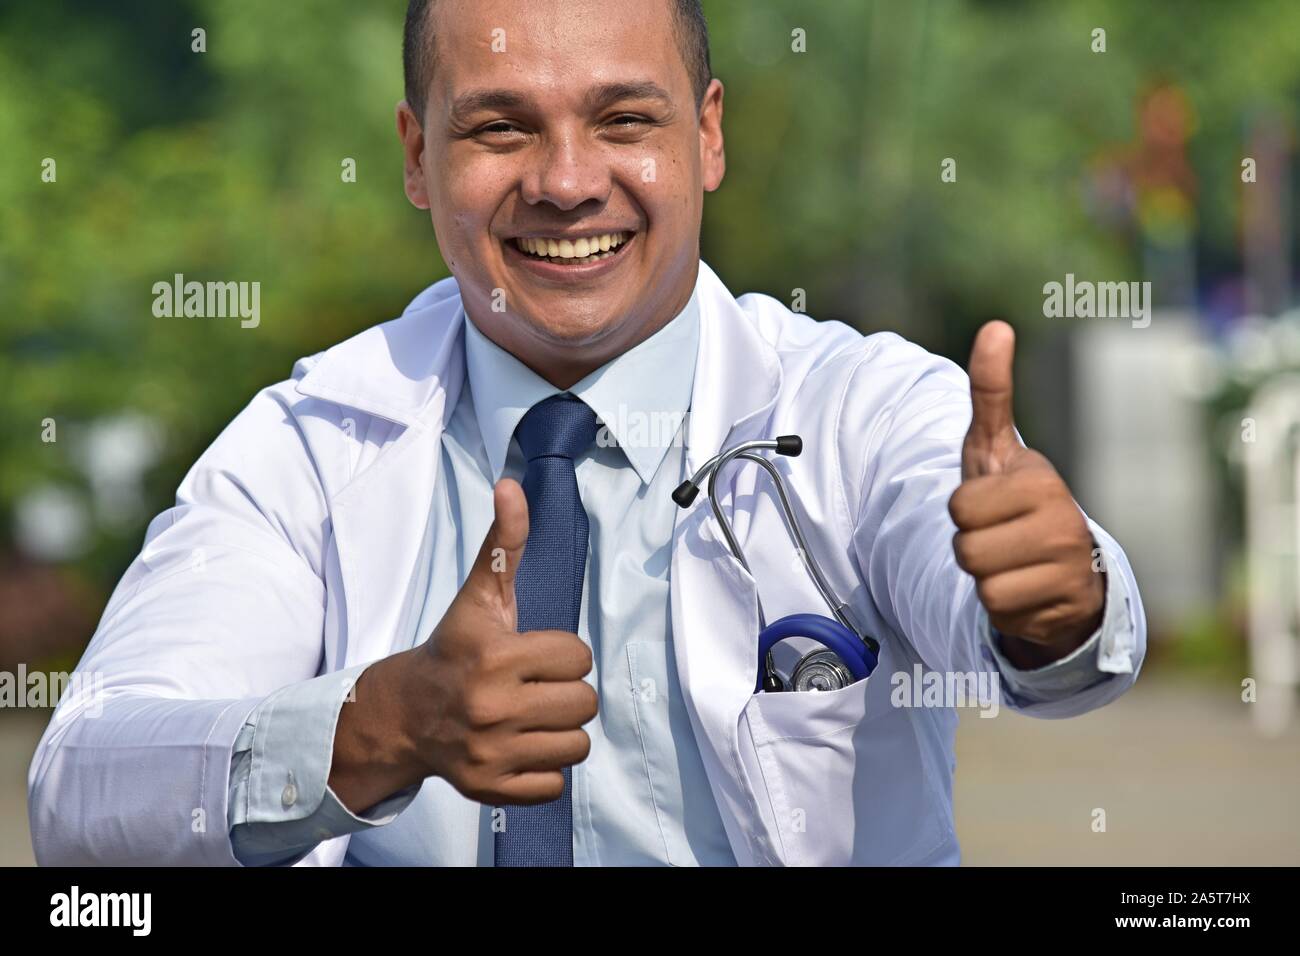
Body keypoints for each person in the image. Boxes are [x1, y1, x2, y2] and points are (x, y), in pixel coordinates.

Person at [28, 0, 1145, 866]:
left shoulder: (862, 406)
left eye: (623, 120)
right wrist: (378, 725)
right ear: (417, 158)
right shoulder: (311, 442)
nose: (566, 184)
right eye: (501, 128)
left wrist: (1053, 605)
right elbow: (83, 788)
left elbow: (1041, 651)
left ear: (706, 136)